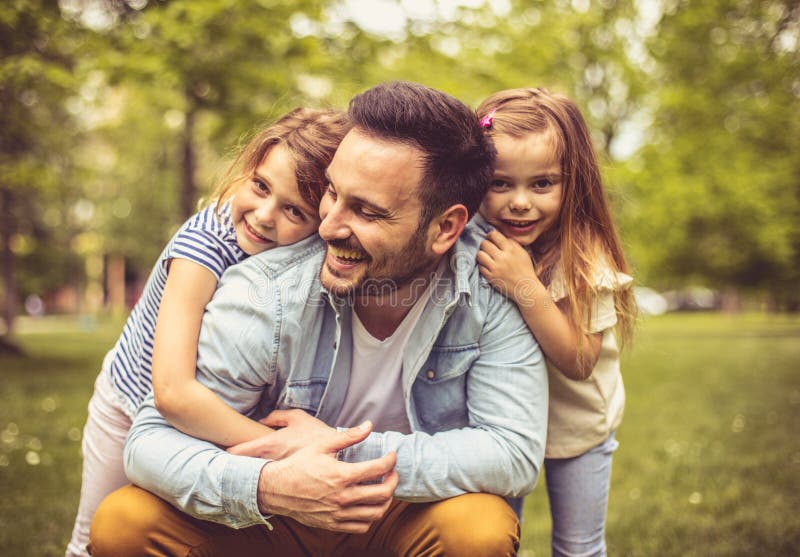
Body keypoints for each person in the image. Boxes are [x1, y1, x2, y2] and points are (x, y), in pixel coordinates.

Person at [88, 81, 549, 556]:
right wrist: (268, 485)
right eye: (332, 192)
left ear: (445, 227)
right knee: (125, 523)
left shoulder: (494, 283)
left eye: (367, 211)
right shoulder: (267, 289)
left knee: (477, 528)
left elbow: (513, 454)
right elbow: (150, 442)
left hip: (395, 508)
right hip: (273, 512)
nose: (327, 226)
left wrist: (340, 451)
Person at [65, 108, 351, 557]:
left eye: (294, 210)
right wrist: (281, 450)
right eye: (260, 186)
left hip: (213, 408)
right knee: (94, 539)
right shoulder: (204, 246)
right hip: (130, 404)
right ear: (246, 168)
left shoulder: (303, 262)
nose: (263, 215)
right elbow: (172, 393)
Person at [475, 88, 637, 557]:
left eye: (542, 184)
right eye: (500, 183)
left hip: (576, 427)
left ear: (573, 182)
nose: (520, 202)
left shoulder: (584, 255)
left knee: (577, 548)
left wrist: (525, 285)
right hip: (500, 424)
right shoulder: (476, 242)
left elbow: (579, 360)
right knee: (496, 541)